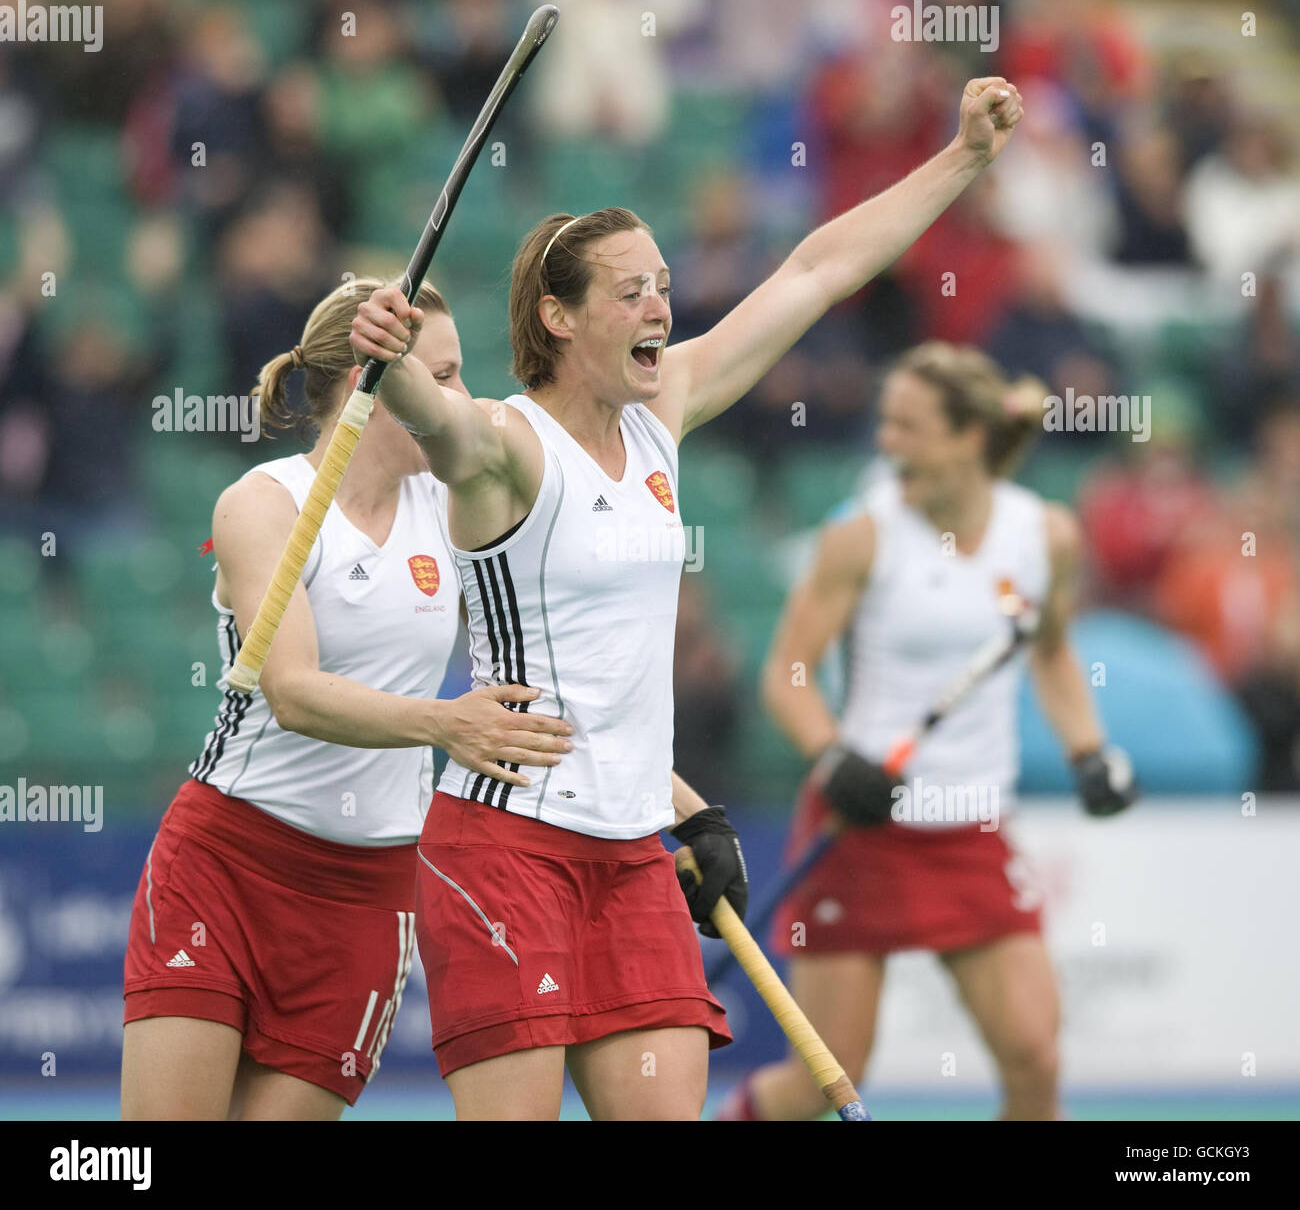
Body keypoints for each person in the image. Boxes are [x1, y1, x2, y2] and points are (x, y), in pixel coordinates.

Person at [346, 77, 1028, 1119]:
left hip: (634, 853)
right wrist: (387, 357)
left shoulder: (665, 407)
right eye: (629, 291)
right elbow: (439, 429)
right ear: (557, 315)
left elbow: (818, 268)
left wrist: (963, 157)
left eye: (661, 285)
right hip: (503, 851)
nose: (658, 306)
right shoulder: (506, 445)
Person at [120, 278, 575, 1120]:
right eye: (439, 377)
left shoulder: (453, 510)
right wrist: (448, 724)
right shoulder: (264, 503)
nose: (461, 400)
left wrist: (678, 804)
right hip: (227, 860)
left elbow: (561, 655)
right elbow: (292, 693)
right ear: (373, 377)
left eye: (461, 374)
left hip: (369, 892)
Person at [719, 342, 1138, 1122]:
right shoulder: (863, 537)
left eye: (908, 426)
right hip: (861, 826)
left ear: (971, 437)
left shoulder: (1045, 535)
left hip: (974, 829)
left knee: (1036, 1059)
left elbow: (1049, 651)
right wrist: (832, 755)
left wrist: (1089, 750)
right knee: (823, 1080)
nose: (887, 442)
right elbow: (789, 672)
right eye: (885, 423)